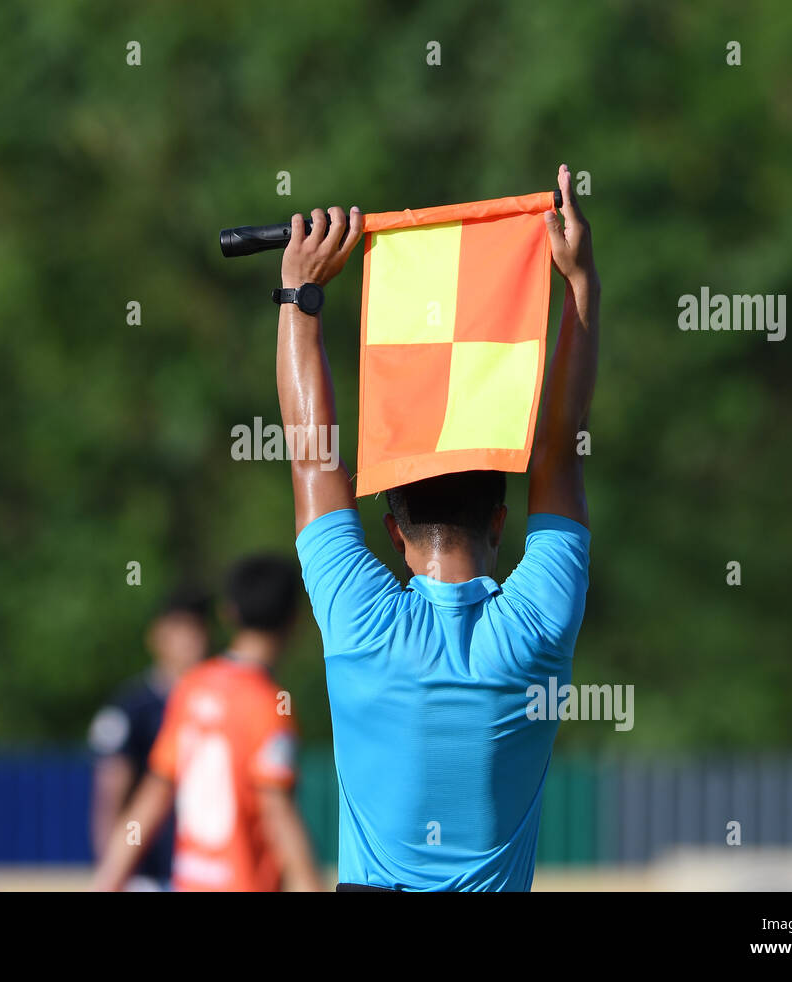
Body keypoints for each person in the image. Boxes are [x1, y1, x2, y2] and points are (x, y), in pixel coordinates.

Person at [275, 164, 598, 890]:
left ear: (394, 531)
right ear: (500, 517)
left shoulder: (362, 621)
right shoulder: (537, 624)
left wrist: (300, 296)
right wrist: (578, 283)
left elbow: (309, 454)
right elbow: (560, 449)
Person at [92, 556, 324, 892]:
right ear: (295, 621)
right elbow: (279, 815)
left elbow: (151, 797)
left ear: (228, 613)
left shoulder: (191, 687)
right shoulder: (270, 704)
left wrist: (105, 882)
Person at [87, 586, 210, 890]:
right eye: (181, 629)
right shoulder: (132, 708)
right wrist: (113, 870)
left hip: (208, 872)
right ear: (157, 636)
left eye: (198, 629)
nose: (191, 640)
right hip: (148, 877)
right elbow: (111, 791)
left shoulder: (219, 704)